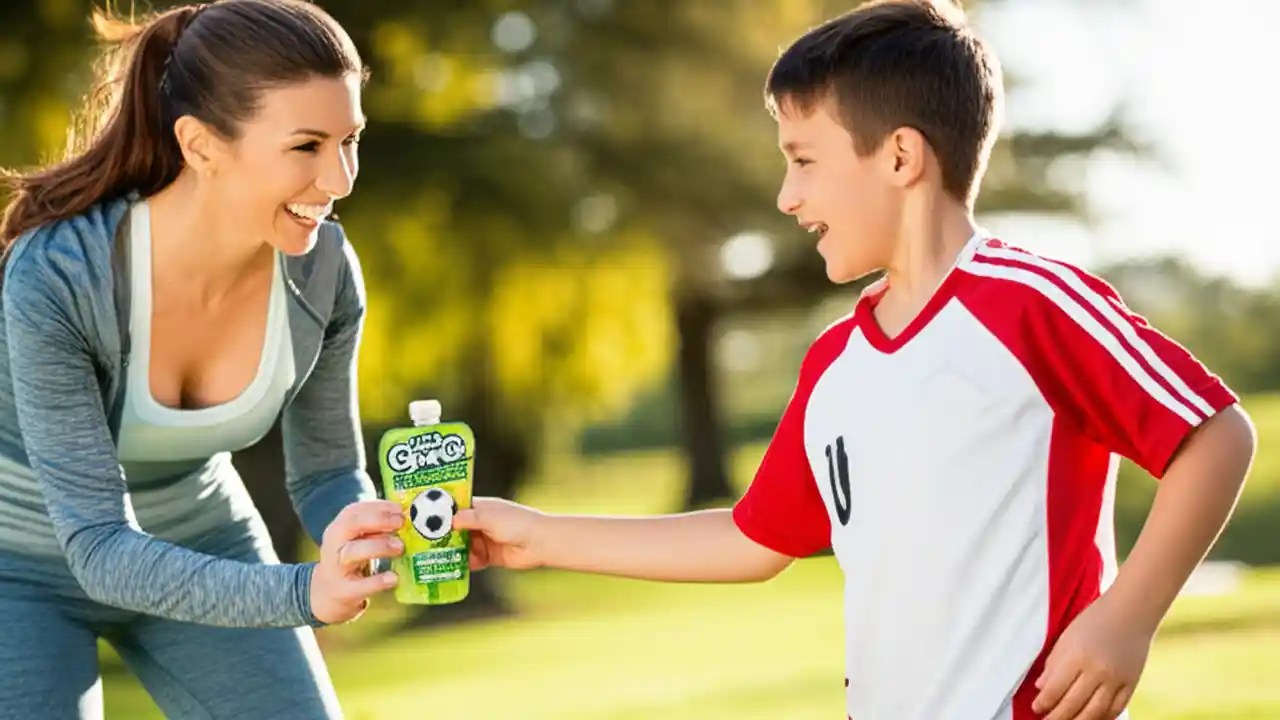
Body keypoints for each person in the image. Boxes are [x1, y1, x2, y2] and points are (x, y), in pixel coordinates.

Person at [453, 2, 1256, 718]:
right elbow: (751, 539)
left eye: (804, 160)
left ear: (901, 157)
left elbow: (1215, 435)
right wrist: (539, 537)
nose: (786, 196)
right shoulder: (835, 364)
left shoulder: (1030, 305)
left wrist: (1127, 619)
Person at [0, 2, 405, 718]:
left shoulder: (323, 274)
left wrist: (365, 536)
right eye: (307, 146)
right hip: (16, 568)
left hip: (206, 536)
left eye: (351, 140)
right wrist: (302, 592)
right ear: (201, 144)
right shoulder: (61, 274)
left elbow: (325, 472)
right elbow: (98, 546)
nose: (341, 178)